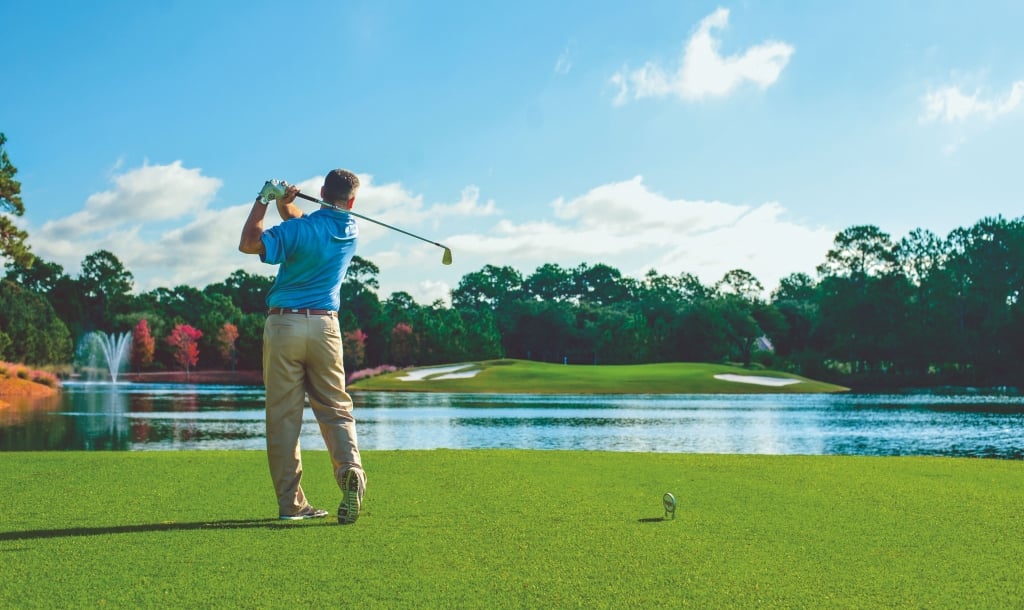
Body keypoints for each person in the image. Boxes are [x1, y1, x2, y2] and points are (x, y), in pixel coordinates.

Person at [238, 169, 367, 524]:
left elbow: (250, 243)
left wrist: (265, 199)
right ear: (351, 201)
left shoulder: (299, 230)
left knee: (283, 419)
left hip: (284, 324)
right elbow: (305, 225)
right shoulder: (350, 230)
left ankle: (292, 505)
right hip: (326, 327)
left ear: (323, 191)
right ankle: (349, 472)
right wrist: (287, 204)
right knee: (336, 409)